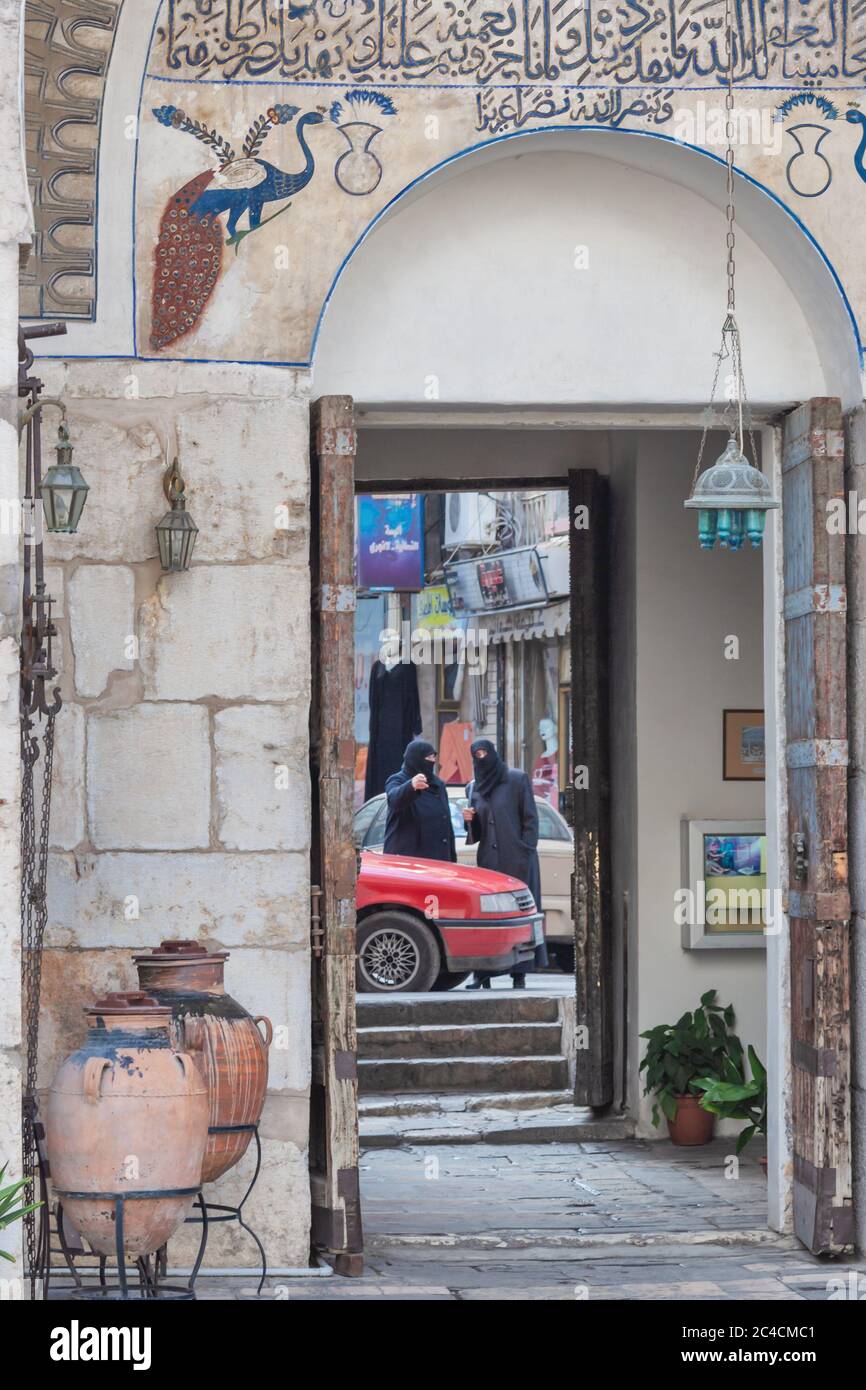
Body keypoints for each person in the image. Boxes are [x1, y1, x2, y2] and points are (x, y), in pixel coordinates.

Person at [463, 738, 548, 989]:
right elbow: (477, 834)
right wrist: (470, 821)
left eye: (484, 752)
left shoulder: (516, 779)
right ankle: (483, 975)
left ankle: (519, 974)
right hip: (490, 863)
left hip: (518, 861)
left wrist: (525, 851)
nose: (481, 758)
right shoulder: (473, 788)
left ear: (493, 753)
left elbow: (530, 820)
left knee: (521, 917)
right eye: (476, 754)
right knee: (489, 918)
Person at [383, 739, 456, 862]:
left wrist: (451, 859)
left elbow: (446, 824)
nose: (432, 761)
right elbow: (394, 800)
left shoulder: (438, 784)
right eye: (428, 758)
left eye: (434, 757)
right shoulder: (397, 780)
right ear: (415, 759)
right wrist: (411, 786)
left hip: (438, 860)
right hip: (408, 861)